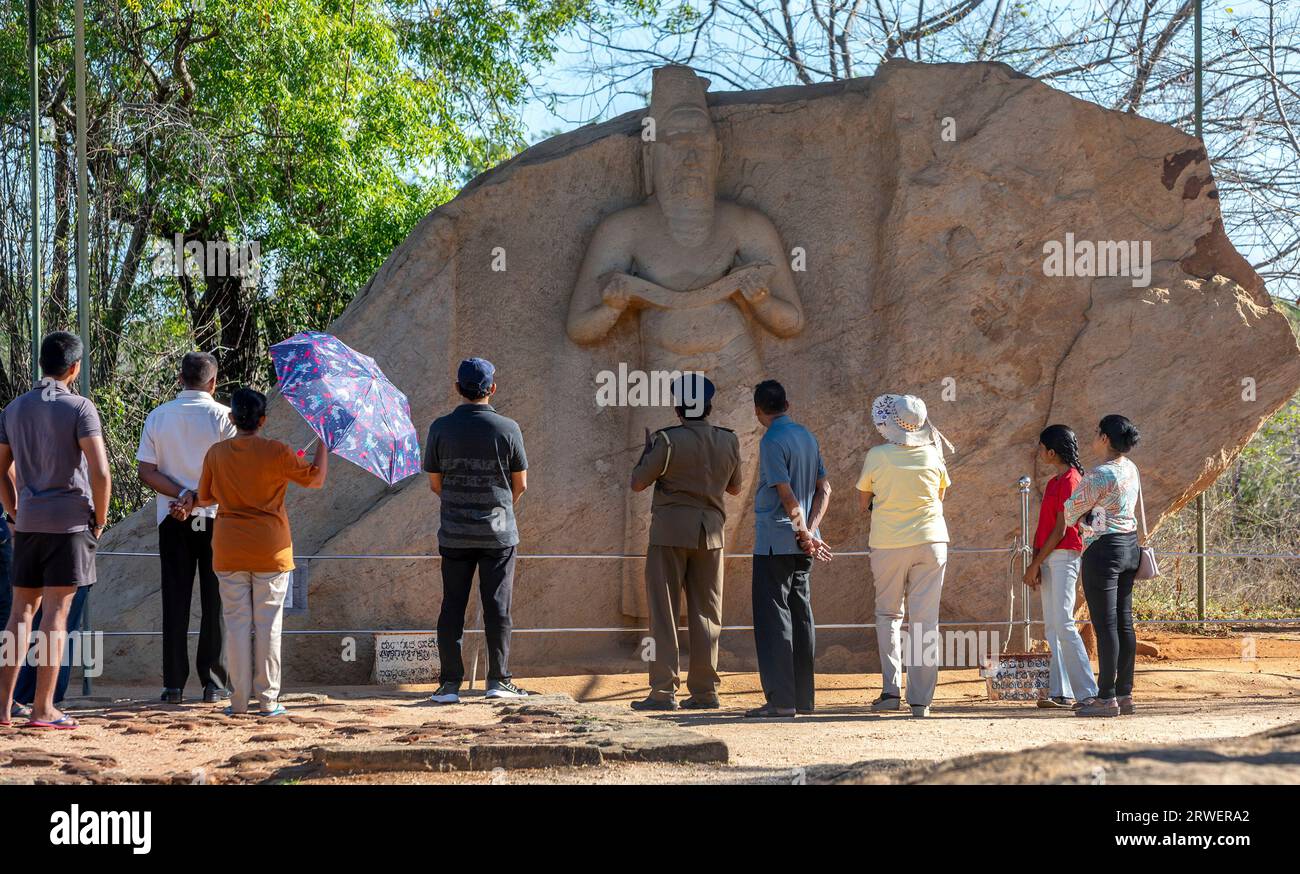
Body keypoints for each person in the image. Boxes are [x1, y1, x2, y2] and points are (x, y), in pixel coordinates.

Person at [0, 331, 111, 730]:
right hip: (69, 524)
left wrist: (14, 514)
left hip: (28, 523)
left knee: (19, 615)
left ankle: (2, 707)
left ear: (41, 364)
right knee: (56, 617)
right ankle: (44, 709)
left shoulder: (13, 409)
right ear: (75, 368)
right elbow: (99, 470)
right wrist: (100, 517)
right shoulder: (80, 407)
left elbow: (0, 471)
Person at [195, 388, 327, 716]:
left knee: (237, 624)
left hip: (228, 549)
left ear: (231, 418)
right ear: (263, 420)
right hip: (271, 549)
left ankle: (237, 701)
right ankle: (268, 700)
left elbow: (205, 497)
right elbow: (316, 480)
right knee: (269, 625)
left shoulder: (216, 453)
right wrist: (324, 443)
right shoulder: (277, 452)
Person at [629, 374, 742, 711]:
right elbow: (734, 488)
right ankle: (706, 691)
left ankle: (663, 692)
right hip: (711, 533)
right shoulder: (728, 440)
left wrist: (646, 452)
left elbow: (637, 483)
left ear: (678, 406)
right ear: (708, 406)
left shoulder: (666, 440)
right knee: (708, 614)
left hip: (669, 533)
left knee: (664, 613)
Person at [423, 358, 530, 704]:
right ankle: (498, 680)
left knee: (451, 606)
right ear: (492, 389)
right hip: (498, 532)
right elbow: (521, 484)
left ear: (457, 388)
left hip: (454, 530)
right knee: (498, 606)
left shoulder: (440, 428)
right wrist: (498, 509)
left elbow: (435, 484)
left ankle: (449, 684)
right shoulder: (508, 428)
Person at [137, 352, 237, 704]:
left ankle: (173, 684)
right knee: (215, 601)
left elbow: (146, 471)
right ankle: (214, 683)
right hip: (216, 519)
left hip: (172, 516)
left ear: (180, 379)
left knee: (175, 601)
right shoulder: (226, 417)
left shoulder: (158, 416)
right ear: (213, 382)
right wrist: (198, 498)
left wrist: (182, 495)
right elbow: (230, 473)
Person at [855, 393, 952, 718]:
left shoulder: (877, 455)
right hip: (932, 540)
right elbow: (940, 496)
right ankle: (922, 700)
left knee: (889, 615)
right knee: (925, 621)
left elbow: (863, 502)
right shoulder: (934, 455)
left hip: (888, 542)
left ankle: (890, 691)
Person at [747, 380, 832, 718]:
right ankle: (802, 699)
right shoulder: (807, 436)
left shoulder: (771, 440)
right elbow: (825, 488)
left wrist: (801, 532)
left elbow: (785, 495)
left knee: (774, 618)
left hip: (776, 541)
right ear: (788, 403)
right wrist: (810, 531)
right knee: (801, 615)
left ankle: (781, 700)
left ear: (758, 411)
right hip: (804, 540)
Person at [1062, 414, 1143, 718]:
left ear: (1106, 438)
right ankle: (1124, 693)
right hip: (1130, 547)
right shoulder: (1131, 468)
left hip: (1103, 550)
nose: (1094, 437)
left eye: (1097, 433)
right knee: (1124, 622)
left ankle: (1105, 697)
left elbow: (1070, 512)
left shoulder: (1098, 474)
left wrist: (1085, 517)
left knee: (1105, 625)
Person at [1022, 425, 1098, 709]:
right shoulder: (1056, 481)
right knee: (1053, 626)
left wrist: (1035, 563)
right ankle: (1061, 690)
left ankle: (1088, 692)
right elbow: (1045, 528)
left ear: (1052, 451)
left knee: (1064, 623)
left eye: (1042, 448)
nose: (1040, 452)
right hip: (1051, 556)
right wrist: (1037, 559)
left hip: (1064, 555)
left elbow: (1060, 528)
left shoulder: (1070, 480)